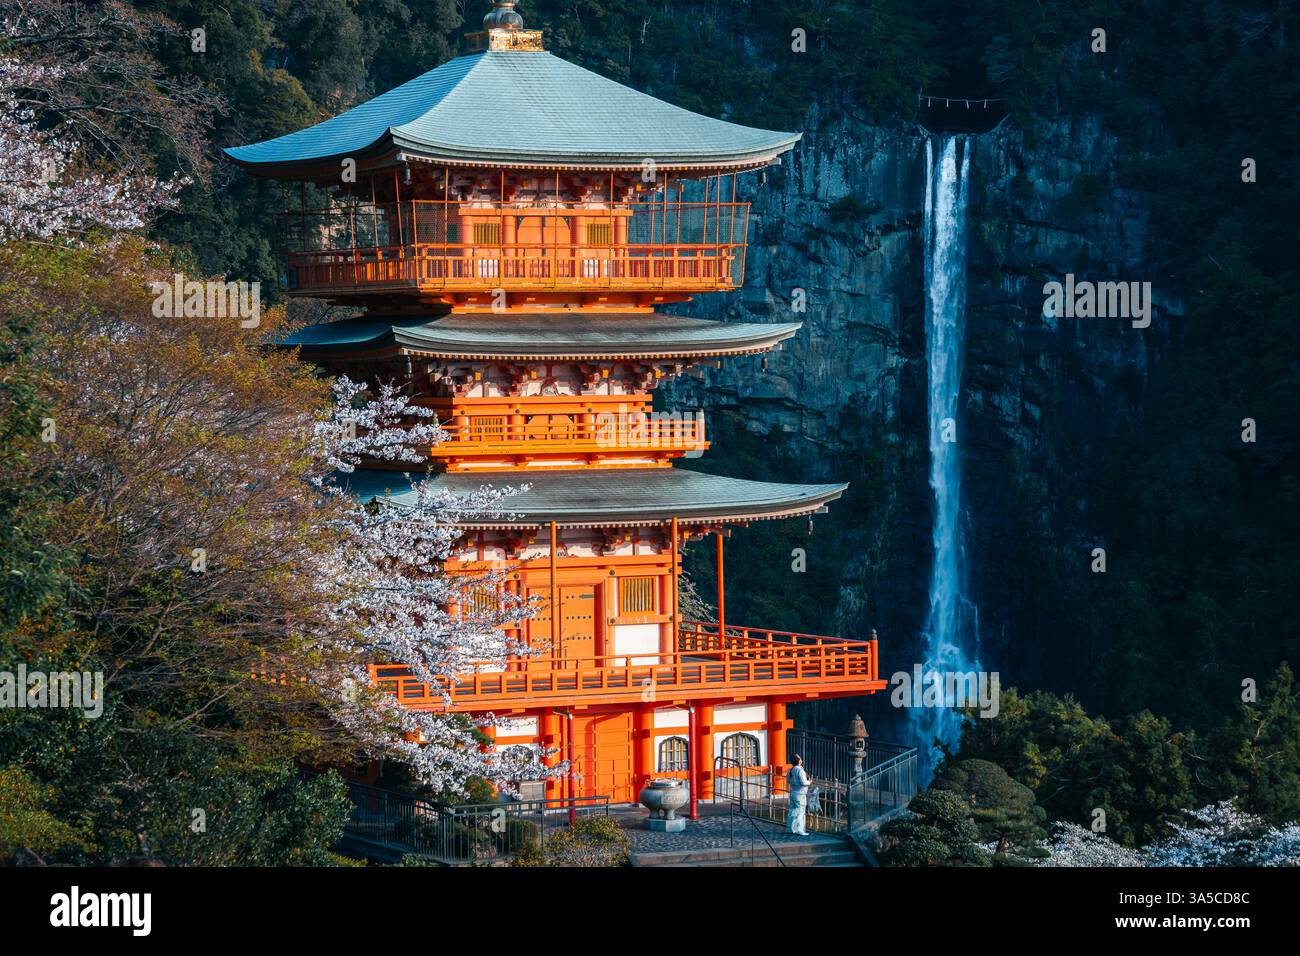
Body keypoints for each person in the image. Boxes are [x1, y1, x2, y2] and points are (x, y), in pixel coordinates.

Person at [787, 755, 810, 836]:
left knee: (792, 811)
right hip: (800, 793)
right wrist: (809, 782)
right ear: (799, 760)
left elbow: (788, 781)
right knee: (800, 811)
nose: (801, 759)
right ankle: (800, 830)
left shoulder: (790, 770)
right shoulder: (800, 771)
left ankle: (790, 828)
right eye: (800, 758)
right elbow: (804, 782)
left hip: (793, 792)